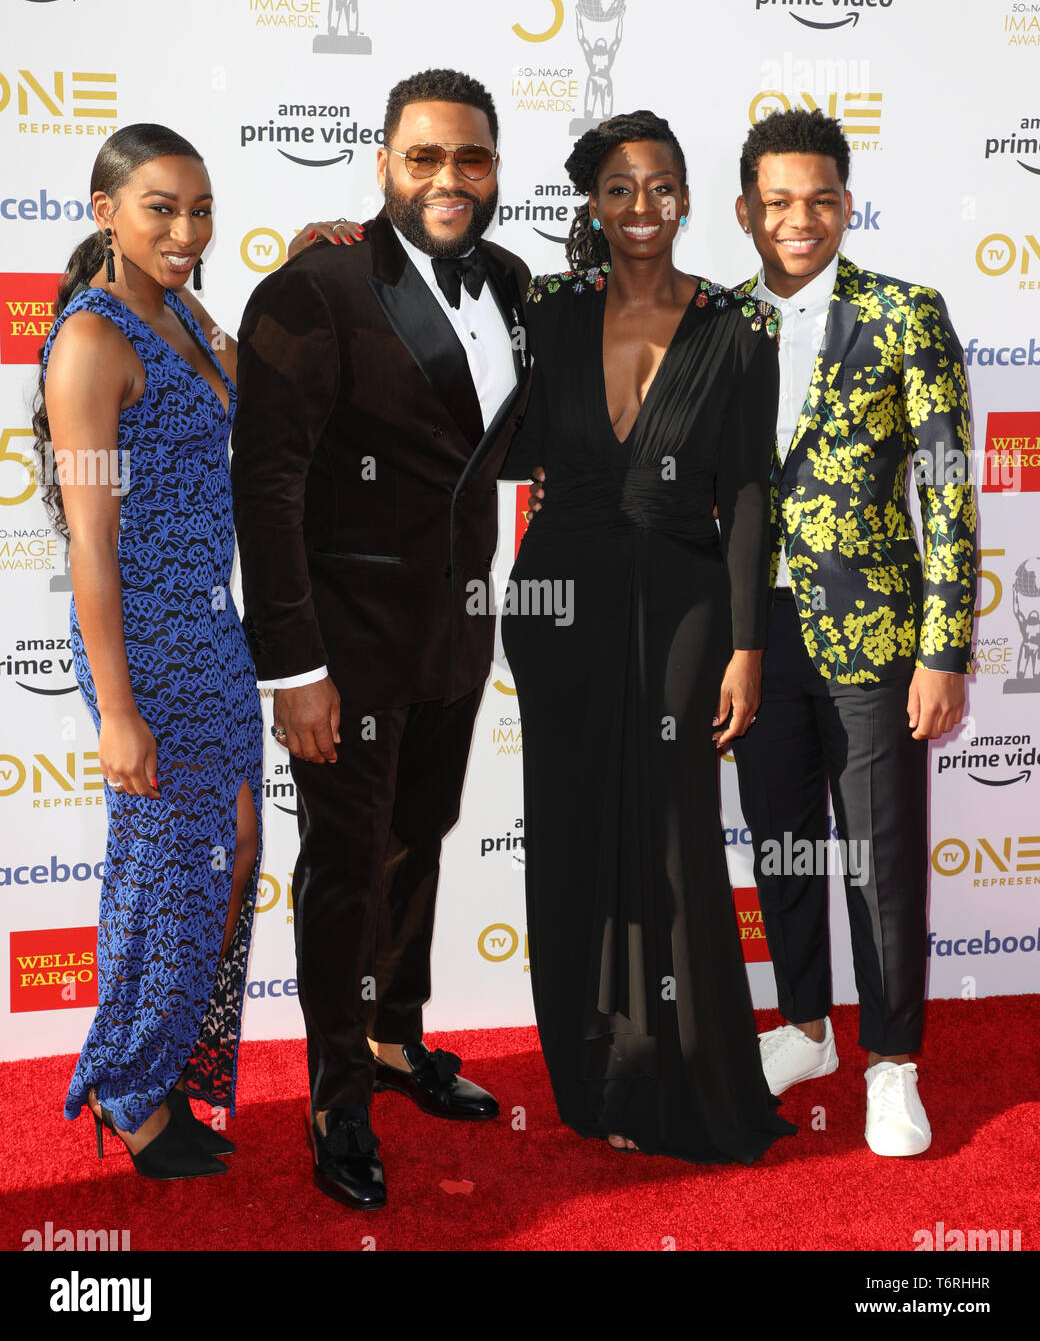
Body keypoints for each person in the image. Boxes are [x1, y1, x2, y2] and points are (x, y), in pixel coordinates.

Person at [231, 69, 532, 1210]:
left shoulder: (507, 280)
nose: (449, 179)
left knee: (422, 838)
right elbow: (266, 486)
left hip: (457, 630)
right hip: (343, 650)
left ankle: (399, 1039)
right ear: (383, 162)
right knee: (347, 870)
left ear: (495, 168)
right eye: (425, 158)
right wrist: (295, 666)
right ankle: (335, 1097)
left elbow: (502, 432)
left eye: (471, 159)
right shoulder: (311, 290)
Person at [501, 111, 795, 1162]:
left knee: (670, 833)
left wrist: (748, 646)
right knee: (573, 826)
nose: (641, 207)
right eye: (618, 188)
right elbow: (438, 297)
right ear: (588, 202)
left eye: (661, 186)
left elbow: (749, 493)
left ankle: (676, 1070)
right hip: (558, 602)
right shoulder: (544, 306)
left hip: (683, 598)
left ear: (687, 197)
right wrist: (339, 238)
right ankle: (592, 1075)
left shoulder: (732, 325)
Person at [729, 109, 977, 1155]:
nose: (799, 219)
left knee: (876, 858)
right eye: (777, 201)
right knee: (781, 840)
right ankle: (800, 1026)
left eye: (819, 198)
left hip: (876, 634)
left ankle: (890, 1062)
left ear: (844, 201)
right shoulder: (716, 322)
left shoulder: (903, 313)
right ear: (745, 210)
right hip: (752, 636)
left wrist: (943, 647)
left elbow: (949, 490)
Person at [36, 123, 263, 1179]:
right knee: (163, 873)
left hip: (213, 630)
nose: (184, 229)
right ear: (105, 212)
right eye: (160, 208)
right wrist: (117, 710)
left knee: (231, 857)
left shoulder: (172, 312)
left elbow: (236, 372)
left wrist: (298, 255)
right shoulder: (92, 340)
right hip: (146, 642)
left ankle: (166, 1067)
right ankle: (129, 1094)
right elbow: (90, 539)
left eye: (200, 209)